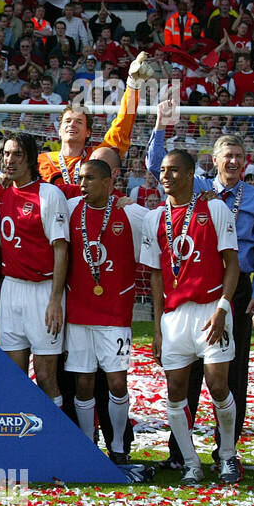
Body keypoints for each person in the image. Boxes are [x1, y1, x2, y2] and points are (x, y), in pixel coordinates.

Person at [148, 122, 254, 464]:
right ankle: (179, 453)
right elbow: (157, 163)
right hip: (194, 285)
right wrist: (160, 125)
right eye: (227, 156)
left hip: (237, 288)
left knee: (231, 375)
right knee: (187, 371)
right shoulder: (198, 186)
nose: (233, 162)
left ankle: (224, 452)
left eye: (239, 157)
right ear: (214, 160)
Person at [141, 148, 242, 486]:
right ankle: (191, 463)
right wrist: (157, 328)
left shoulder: (214, 208)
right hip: (174, 316)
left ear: (188, 175)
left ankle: (228, 456)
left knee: (217, 384)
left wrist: (223, 309)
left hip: (211, 310)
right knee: (174, 390)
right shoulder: (155, 218)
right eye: (163, 171)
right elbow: (156, 276)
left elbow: (233, 264)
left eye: (172, 171)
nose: (165, 176)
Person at [64, 159, 148, 459]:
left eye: (89, 179)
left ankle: (118, 448)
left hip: (114, 311)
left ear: (108, 182)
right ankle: (88, 445)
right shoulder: (71, 208)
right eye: (80, 178)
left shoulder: (132, 213)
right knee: (83, 381)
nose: (82, 184)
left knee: (116, 380)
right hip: (78, 311)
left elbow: (160, 234)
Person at [0, 132, 70, 405]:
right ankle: (22, 441)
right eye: (6, 154)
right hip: (11, 288)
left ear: (31, 160)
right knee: (14, 376)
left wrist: (55, 300)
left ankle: (55, 442)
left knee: (47, 376)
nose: (9, 160)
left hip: (43, 291)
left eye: (17, 155)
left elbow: (61, 249)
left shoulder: (49, 194)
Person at [39, 51, 149, 195]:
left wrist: (133, 85)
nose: (72, 125)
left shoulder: (98, 156)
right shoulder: (41, 161)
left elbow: (122, 126)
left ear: (88, 132)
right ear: (59, 129)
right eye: (68, 121)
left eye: (79, 122)